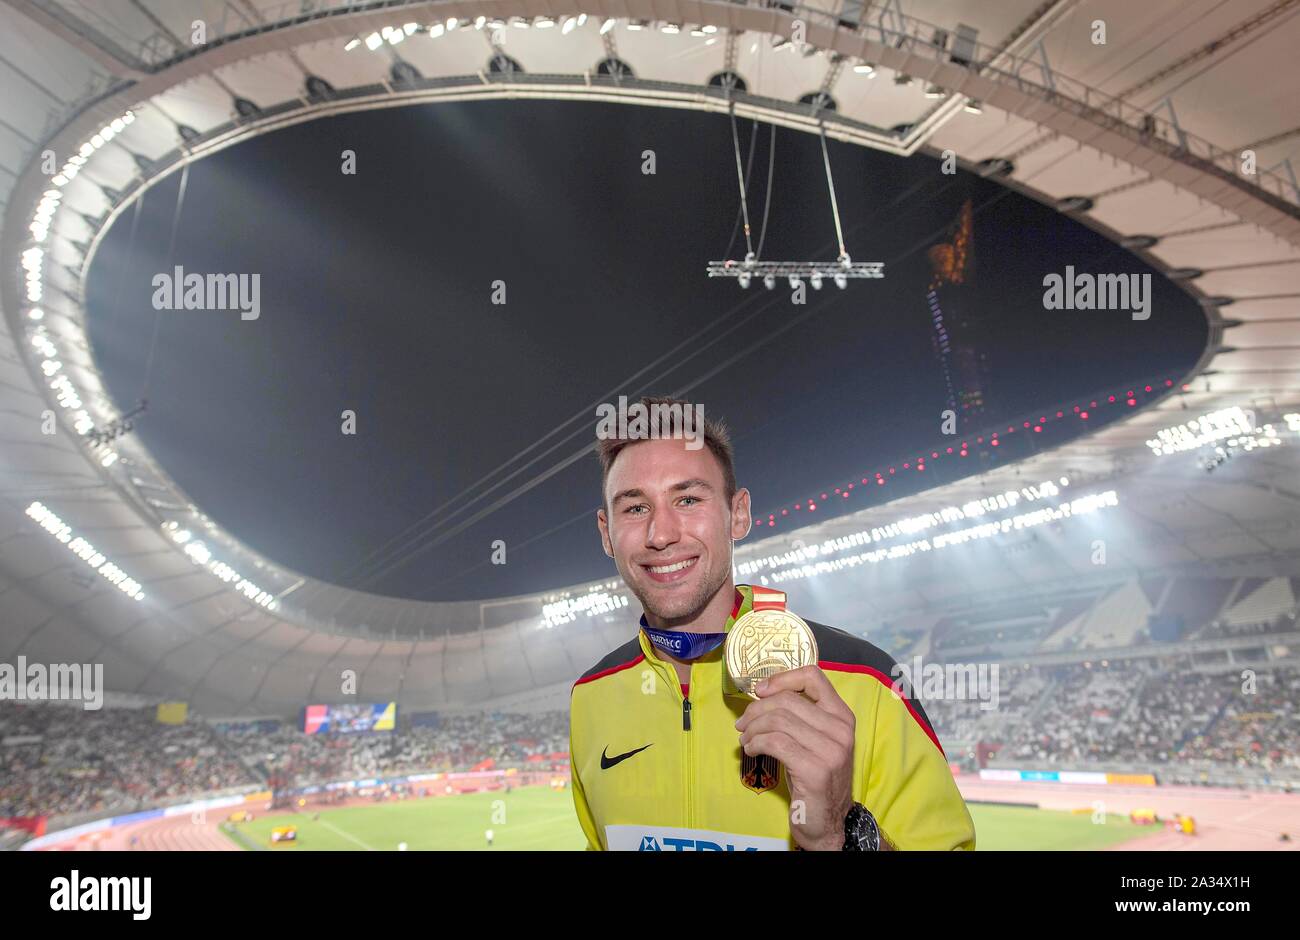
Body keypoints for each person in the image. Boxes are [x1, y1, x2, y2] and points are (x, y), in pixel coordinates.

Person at [569, 396, 975, 851]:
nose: (661, 534)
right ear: (606, 533)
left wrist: (835, 837)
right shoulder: (590, 696)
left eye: (687, 498)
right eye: (635, 508)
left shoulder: (869, 682)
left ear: (737, 514)